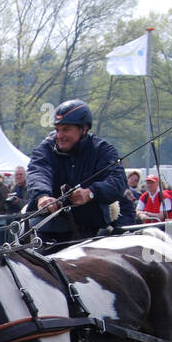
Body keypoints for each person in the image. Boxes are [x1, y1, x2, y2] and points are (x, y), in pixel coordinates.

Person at [27, 99, 127, 243]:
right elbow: (38, 170)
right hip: (45, 228)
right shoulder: (47, 147)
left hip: (88, 230)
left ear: (84, 129)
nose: (59, 136)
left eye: (66, 129)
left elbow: (117, 182)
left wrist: (91, 193)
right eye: (57, 129)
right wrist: (42, 195)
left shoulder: (102, 150)